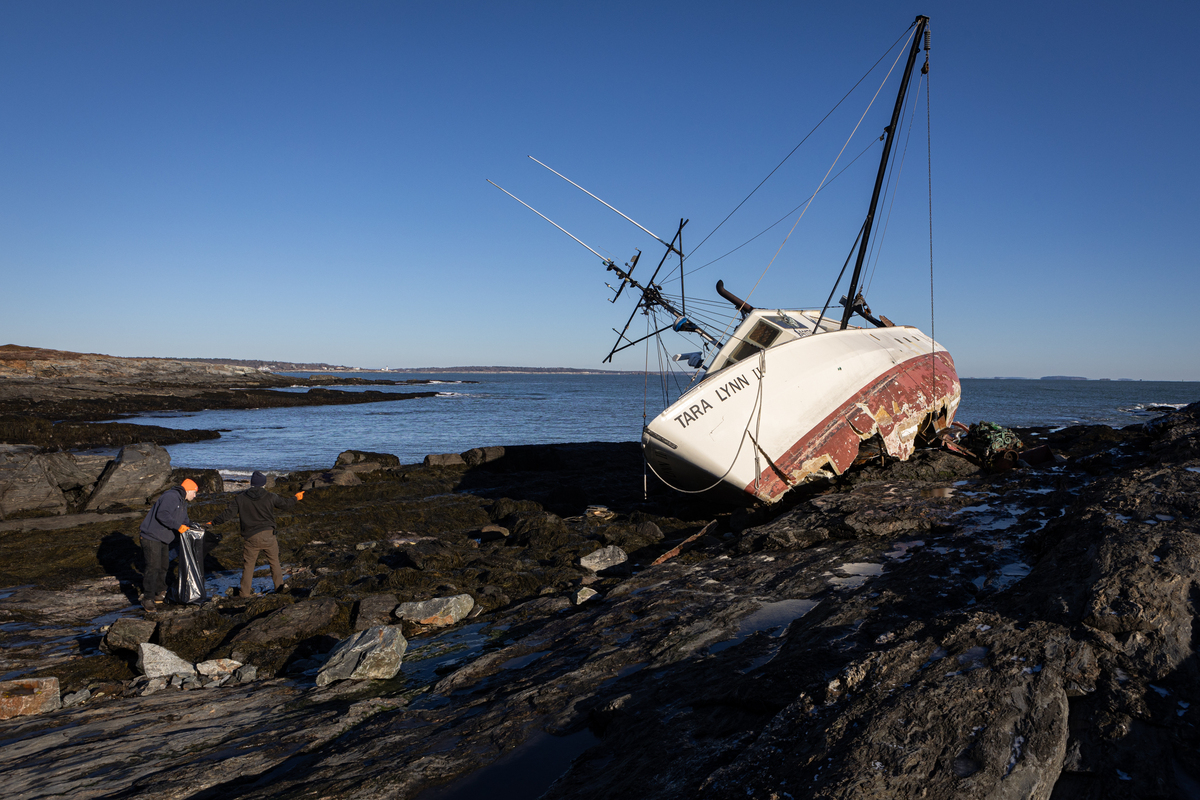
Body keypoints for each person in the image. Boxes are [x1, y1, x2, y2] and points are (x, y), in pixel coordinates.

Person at [209, 471, 303, 597]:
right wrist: (296, 497)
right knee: (274, 562)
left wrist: (213, 522)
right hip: (268, 536)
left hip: (251, 537)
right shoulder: (270, 496)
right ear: (263, 484)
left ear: (251, 484)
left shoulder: (240, 498)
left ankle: (244, 593)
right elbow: (286, 504)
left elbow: (227, 515)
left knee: (248, 566)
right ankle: (279, 589)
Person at [138, 478, 198, 611]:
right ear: (188, 490)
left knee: (163, 566)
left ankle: (160, 593)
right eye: (194, 492)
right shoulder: (171, 496)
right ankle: (147, 598)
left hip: (164, 538)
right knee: (153, 567)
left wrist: (191, 528)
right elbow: (162, 514)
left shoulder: (182, 502)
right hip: (151, 536)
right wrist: (178, 527)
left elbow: (184, 520)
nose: (195, 495)